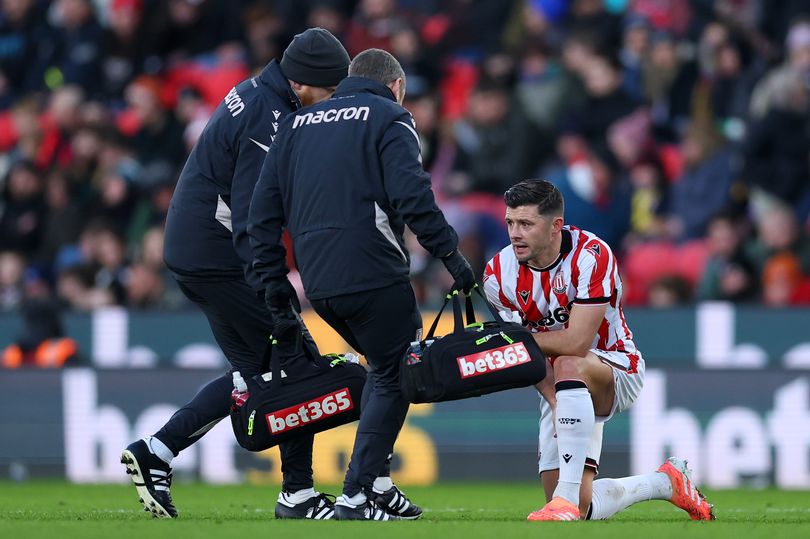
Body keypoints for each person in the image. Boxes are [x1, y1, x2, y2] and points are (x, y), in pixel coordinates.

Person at [120, 28, 351, 520]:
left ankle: (156, 451)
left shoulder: (259, 94)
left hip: (197, 248)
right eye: (332, 89)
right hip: (217, 251)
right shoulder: (269, 116)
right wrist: (273, 285)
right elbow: (250, 212)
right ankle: (299, 494)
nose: (333, 100)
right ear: (307, 83)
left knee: (257, 373)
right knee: (298, 361)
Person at [247, 48, 475, 520]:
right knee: (397, 371)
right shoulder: (390, 117)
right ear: (395, 86)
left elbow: (261, 215)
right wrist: (450, 254)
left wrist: (274, 284)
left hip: (318, 282)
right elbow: (412, 195)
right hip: (373, 270)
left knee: (383, 371)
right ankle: (359, 492)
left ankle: (380, 484)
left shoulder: (293, 125)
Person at [483, 179, 713, 521]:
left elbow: (576, 342)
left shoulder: (591, 255)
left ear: (555, 226)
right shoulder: (497, 276)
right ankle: (665, 483)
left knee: (569, 361)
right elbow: (530, 359)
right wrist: (555, 399)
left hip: (616, 366)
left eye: (526, 224)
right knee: (584, 506)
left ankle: (563, 499)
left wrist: (519, 341)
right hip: (558, 381)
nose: (515, 233)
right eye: (511, 223)